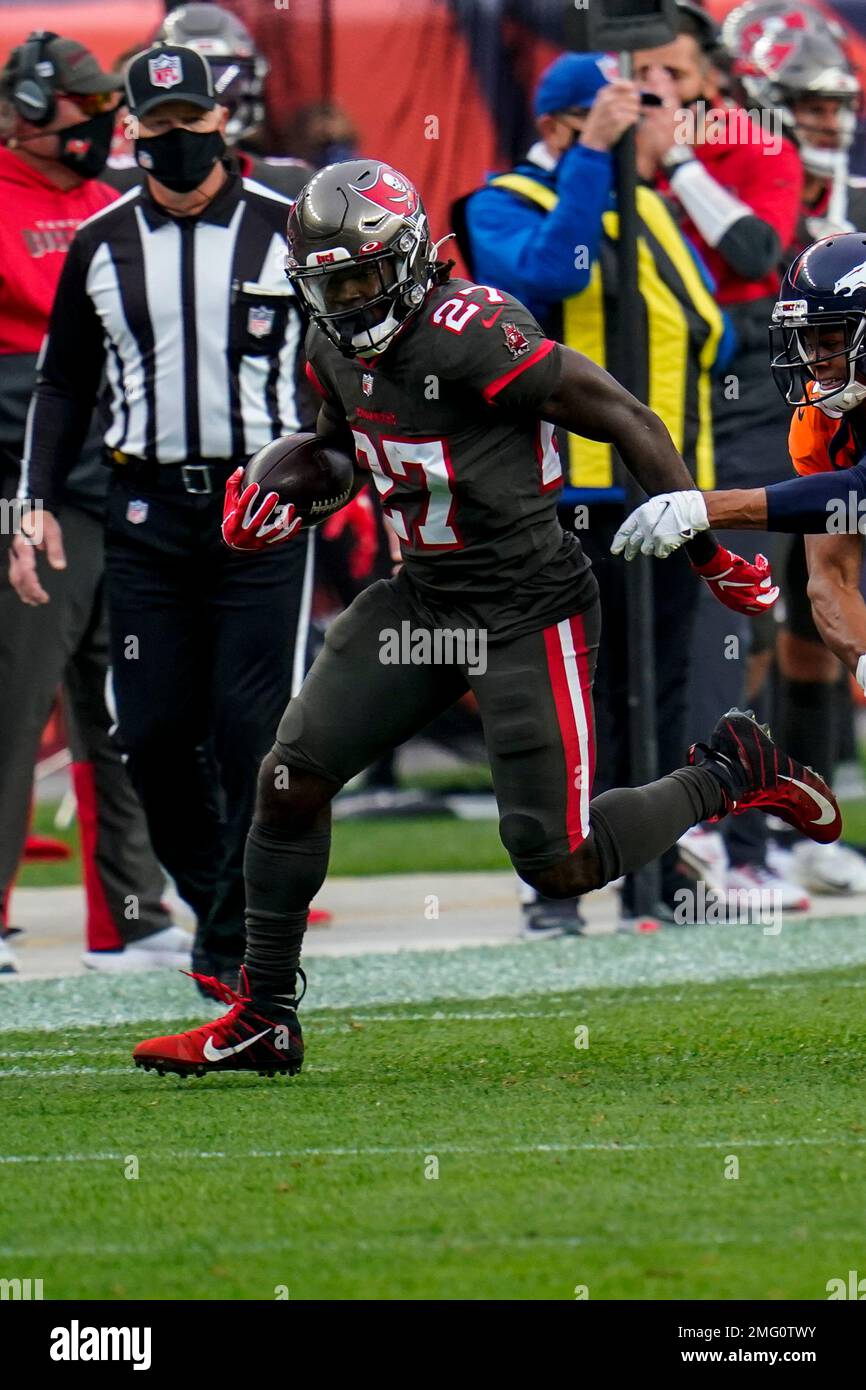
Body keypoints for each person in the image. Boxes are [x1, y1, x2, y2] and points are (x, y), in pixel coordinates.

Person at [129, 160, 838, 1079]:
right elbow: (348, 448)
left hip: (526, 604)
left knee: (560, 862)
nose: (346, 300)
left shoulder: (476, 332)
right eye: (329, 283)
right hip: (422, 598)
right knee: (290, 779)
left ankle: (731, 771)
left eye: (361, 277)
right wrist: (293, 483)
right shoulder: (334, 343)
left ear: (412, 259)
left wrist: (705, 547)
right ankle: (264, 1015)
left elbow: (626, 416)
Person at [12, 43, 316, 990]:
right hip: (143, 505)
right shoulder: (102, 242)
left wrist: (362, 472)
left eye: (195, 121)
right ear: (132, 131)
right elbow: (61, 383)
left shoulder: (289, 230)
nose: (178, 140)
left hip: (260, 501)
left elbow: (351, 361)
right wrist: (36, 502)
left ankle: (229, 945)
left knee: (250, 732)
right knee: (147, 730)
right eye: (160, 125)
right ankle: (220, 909)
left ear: (222, 122)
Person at [457, 48, 735, 931]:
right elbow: (549, 278)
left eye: (651, 107)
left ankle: (653, 866)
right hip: (572, 496)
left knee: (657, 695)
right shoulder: (504, 199)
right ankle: (556, 880)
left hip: (664, 491)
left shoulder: (647, 203)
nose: (650, 123)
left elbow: (714, 336)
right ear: (556, 125)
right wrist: (592, 158)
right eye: (625, 109)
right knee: (574, 695)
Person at [0, 30, 189, 974]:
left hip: (115, 486)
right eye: (82, 107)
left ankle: (129, 913)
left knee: (127, 713)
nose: (101, 126)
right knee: (11, 707)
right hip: (27, 498)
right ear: (31, 108)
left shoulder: (110, 202)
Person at [632, 0, 806, 907]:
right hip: (644, 407)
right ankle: (658, 842)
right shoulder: (604, 152)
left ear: (706, 69)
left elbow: (758, 250)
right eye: (641, 70)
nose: (654, 85)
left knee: (725, 620)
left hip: (740, 403)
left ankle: (733, 842)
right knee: (647, 634)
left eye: (670, 68)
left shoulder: (751, 142)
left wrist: (681, 159)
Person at [724, 0, 866, 894]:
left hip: (829, 422)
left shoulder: (852, 201)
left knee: (813, 640)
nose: (823, 118)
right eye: (802, 102)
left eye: (832, 102)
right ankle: (758, 836)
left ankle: (805, 834)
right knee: (764, 630)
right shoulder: (739, 175)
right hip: (748, 417)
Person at [611, 234, 866, 699]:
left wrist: (702, 508)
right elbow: (831, 581)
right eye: (804, 342)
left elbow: (860, 494)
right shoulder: (822, 419)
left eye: (828, 341)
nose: (813, 362)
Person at [103, 4, 313, 200]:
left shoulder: (293, 182)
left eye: (226, 78)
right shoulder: (112, 185)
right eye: (190, 79)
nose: (212, 96)